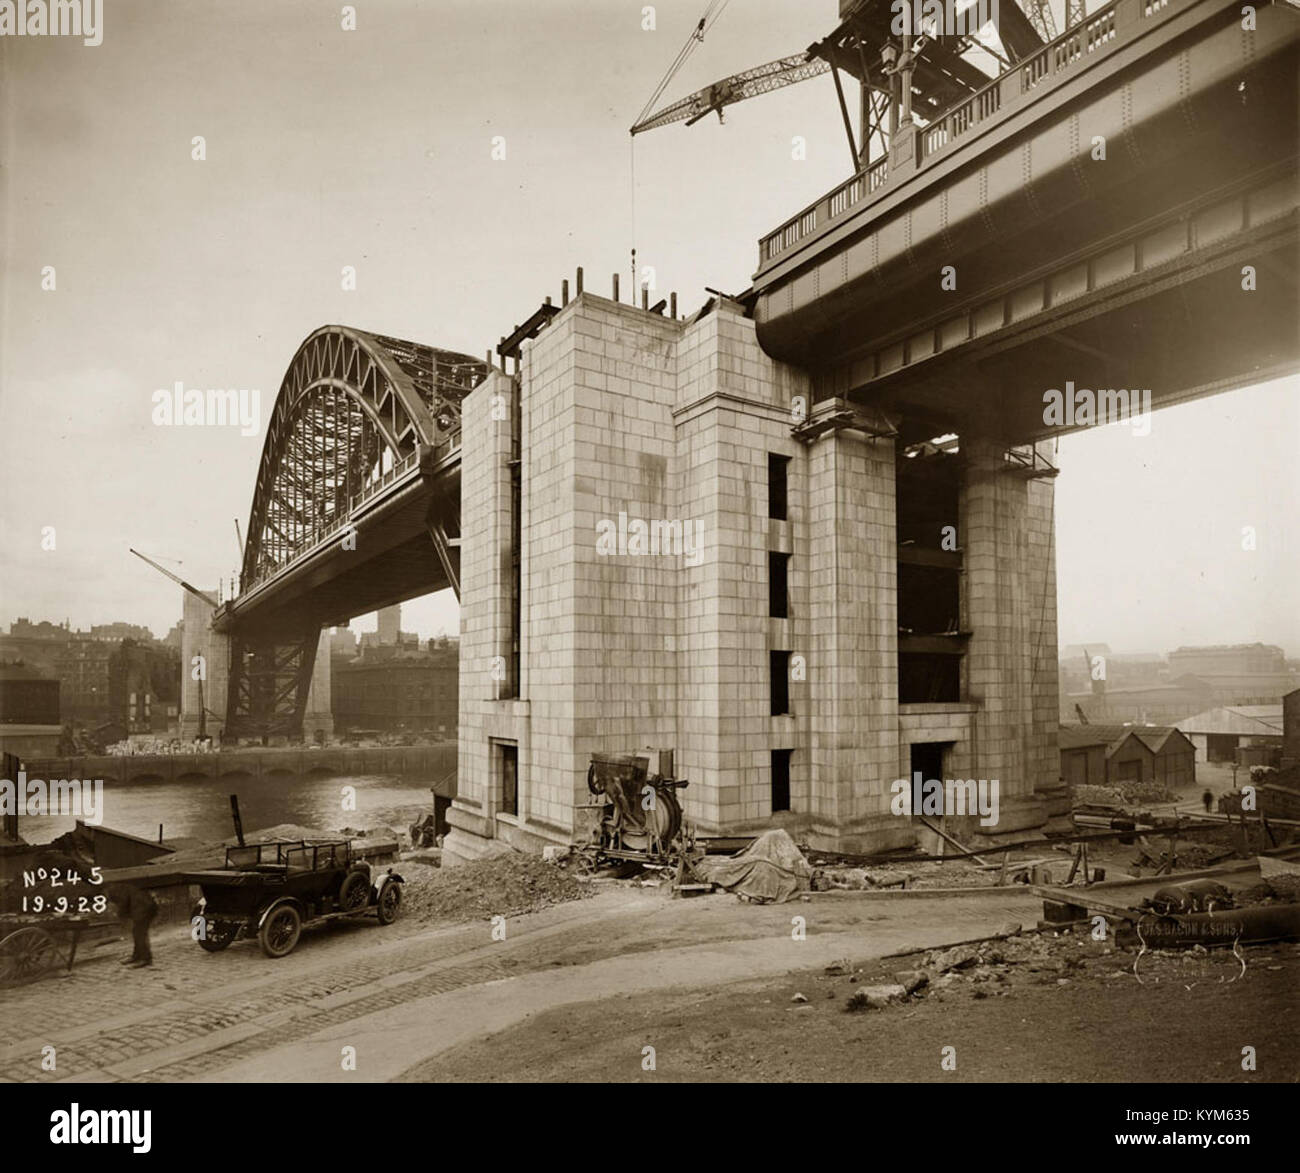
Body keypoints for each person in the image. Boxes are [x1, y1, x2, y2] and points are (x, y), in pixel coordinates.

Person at [107, 882, 159, 968]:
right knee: (137, 932)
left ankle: (145, 959)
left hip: (143, 908)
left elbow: (123, 902)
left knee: (140, 934)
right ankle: (136, 956)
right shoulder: (114, 886)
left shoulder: (112, 888)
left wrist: (119, 915)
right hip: (142, 907)